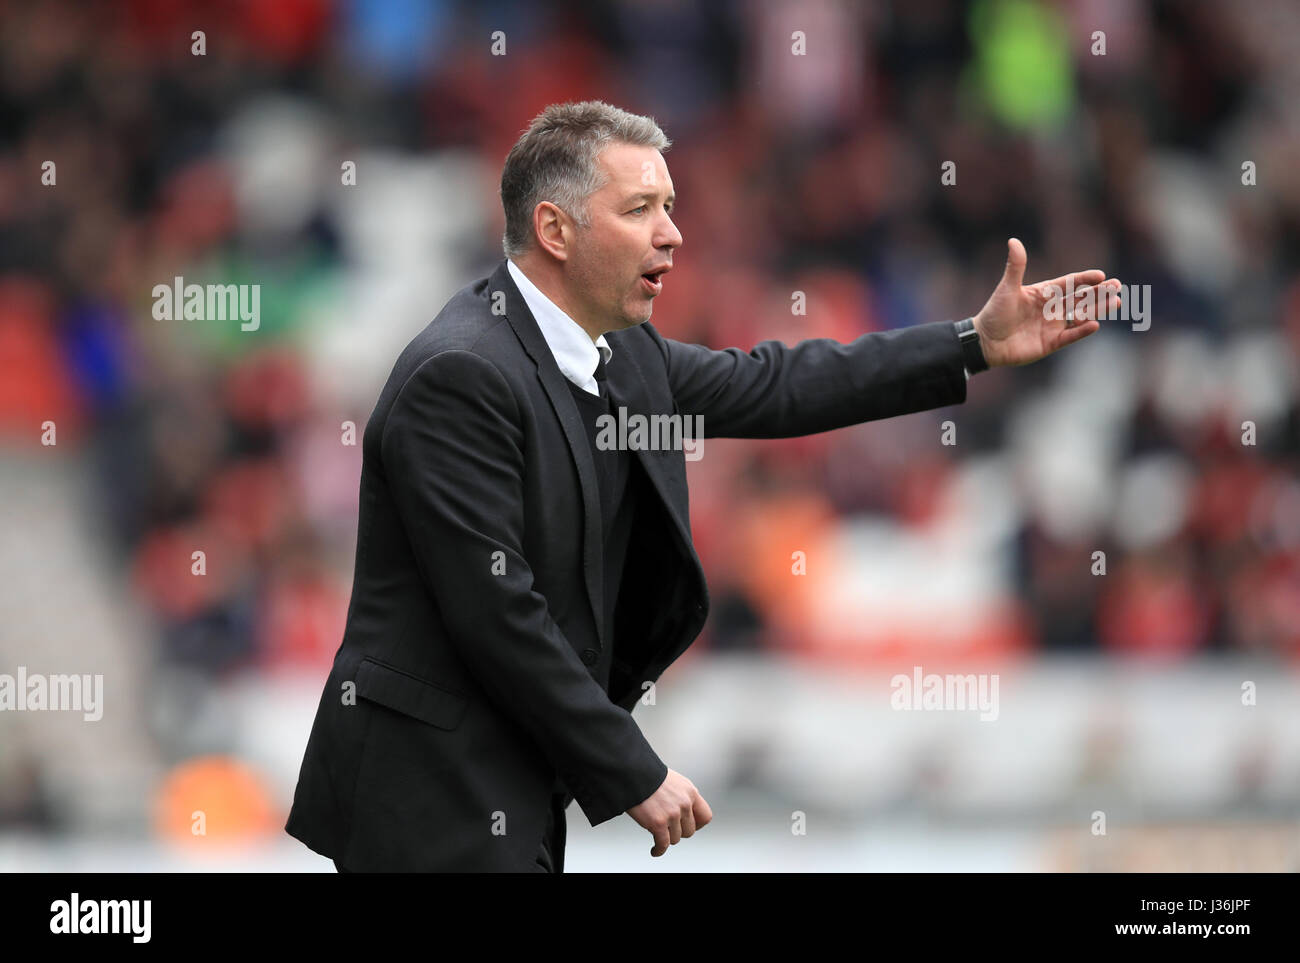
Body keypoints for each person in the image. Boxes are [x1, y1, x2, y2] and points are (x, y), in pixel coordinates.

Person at [285, 99, 1120, 872]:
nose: (672, 234)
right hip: (422, 789)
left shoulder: (621, 354)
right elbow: (495, 609)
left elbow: (779, 384)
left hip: (506, 775)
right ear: (555, 229)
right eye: (640, 209)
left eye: (671, 206)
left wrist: (970, 342)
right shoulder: (461, 375)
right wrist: (631, 767)